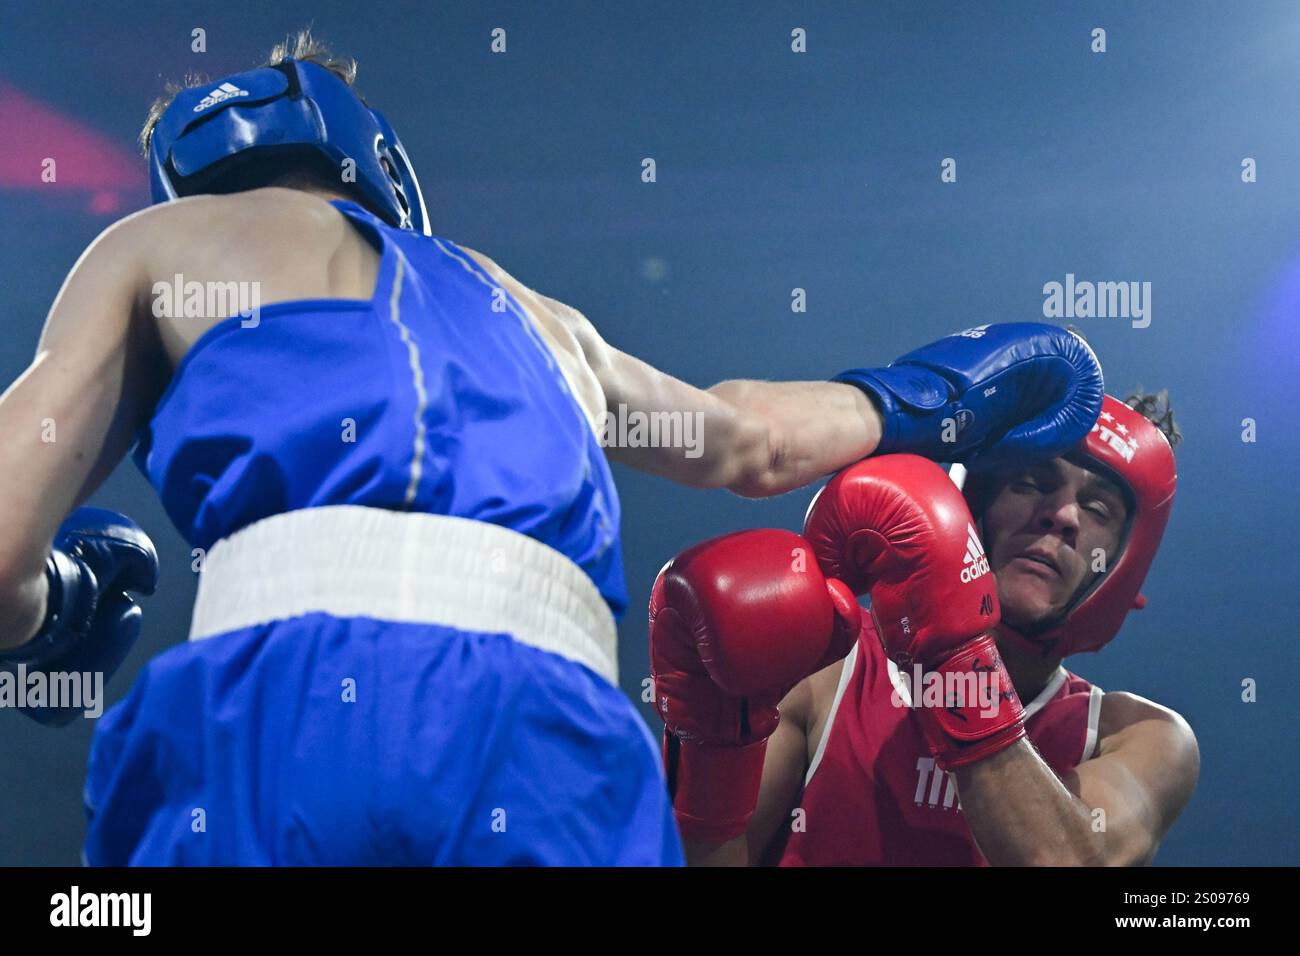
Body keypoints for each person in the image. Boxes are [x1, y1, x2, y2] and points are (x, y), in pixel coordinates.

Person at [0, 32, 1102, 865]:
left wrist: (60, 605)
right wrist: (934, 395)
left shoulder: (156, 246)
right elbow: (750, 444)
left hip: (274, 705)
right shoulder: (536, 316)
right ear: (380, 167)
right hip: (554, 737)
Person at [652, 391, 1199, 865]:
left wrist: (953, 657)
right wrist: (709, 754)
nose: (1063, 516)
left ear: (1129, 563)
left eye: (1098, 507)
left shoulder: (1135, 736)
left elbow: (1069, 861)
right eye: (1033, 482)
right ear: (973, 500)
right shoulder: (827, 668)